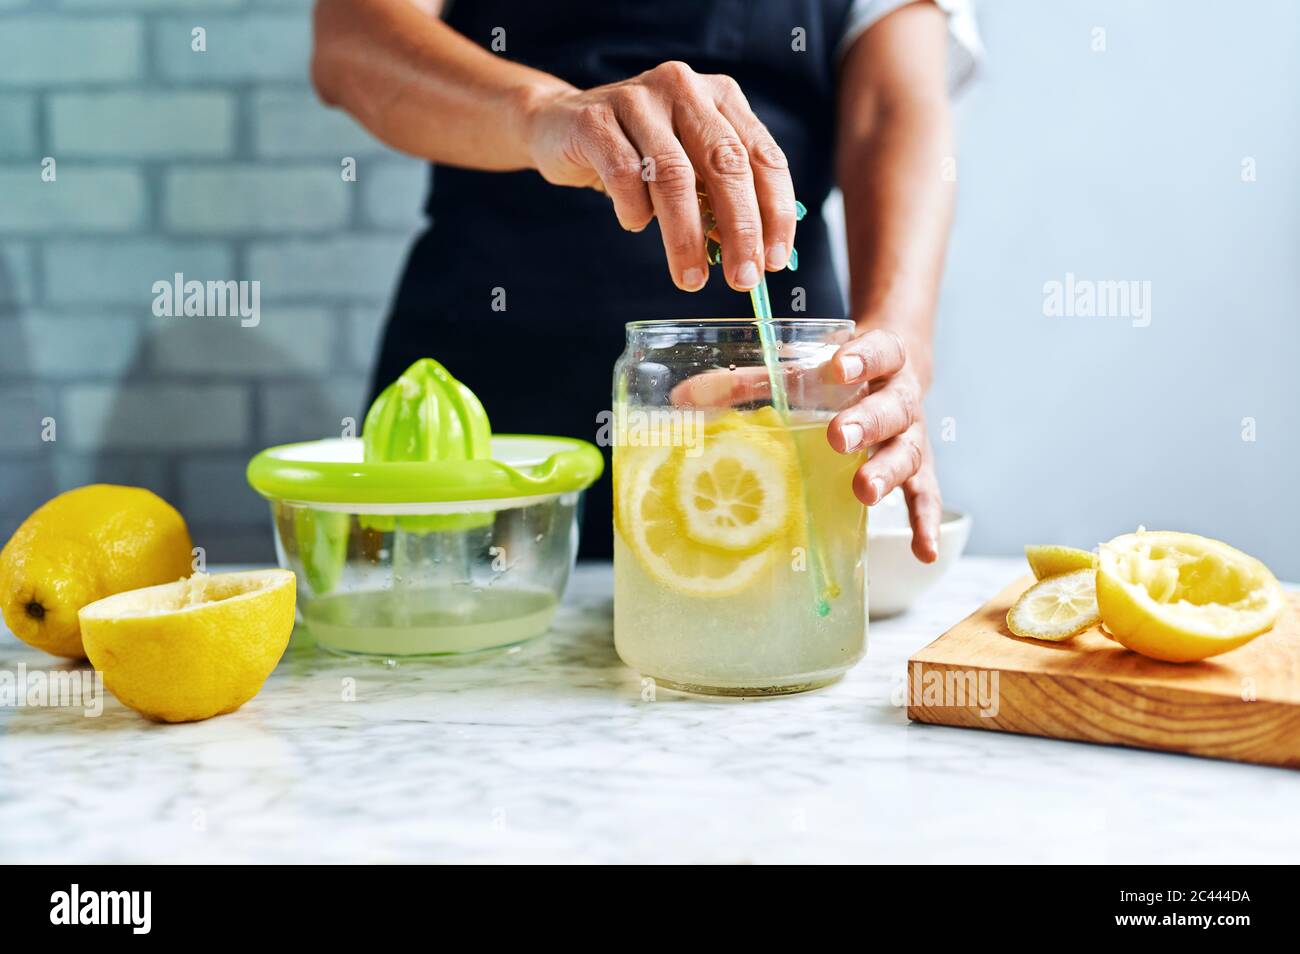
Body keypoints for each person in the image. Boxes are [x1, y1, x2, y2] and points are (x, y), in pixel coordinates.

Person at [311, 0, 980, 560]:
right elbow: (351, 41)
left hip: (779, 393)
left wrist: (896, 341)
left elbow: (894, 108)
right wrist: (545, 112)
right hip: (482, 392)